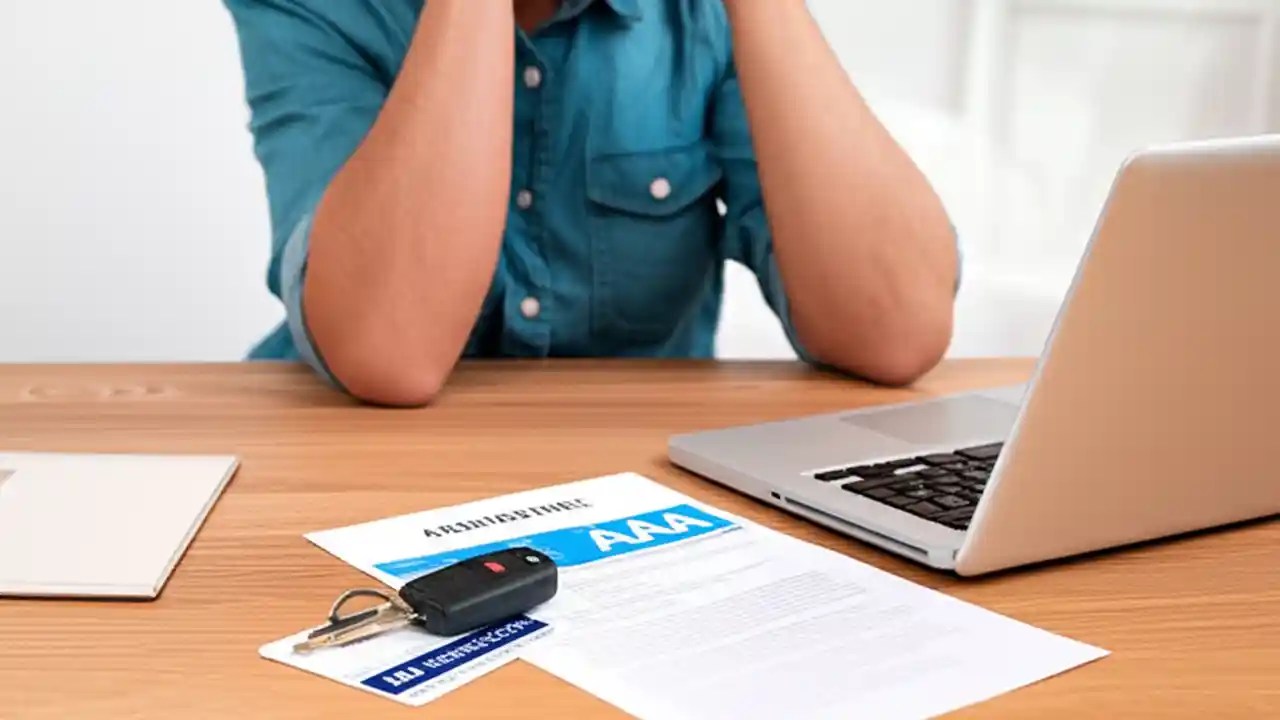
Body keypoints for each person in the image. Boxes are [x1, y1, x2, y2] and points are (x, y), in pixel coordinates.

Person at [224, 0, 959, 406]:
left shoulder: (697, 17)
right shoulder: (316, 9)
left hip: (641, 497)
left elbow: (891, 332)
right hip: (342, 465)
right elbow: (390, 356)